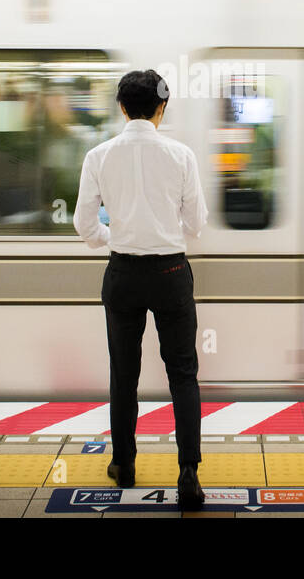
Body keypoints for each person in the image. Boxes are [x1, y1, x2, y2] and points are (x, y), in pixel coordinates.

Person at [73, 69, 209, 508]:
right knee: (183, 374)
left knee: (123, 373)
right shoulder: (181, 155)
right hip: (171, 274)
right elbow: (197, 225)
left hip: (123, 275)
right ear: (162, 107)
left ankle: (124, 463)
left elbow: (84, 226)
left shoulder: (98, 156)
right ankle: (188, 471)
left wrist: (114, 237)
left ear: (121, 107)